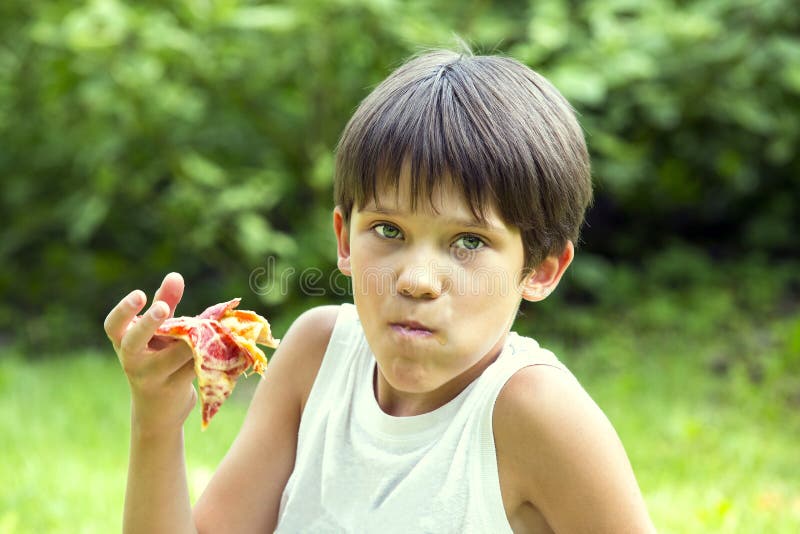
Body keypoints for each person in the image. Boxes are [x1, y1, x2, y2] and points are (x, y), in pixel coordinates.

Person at [105, 49, 656, 533]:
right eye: (389, 231)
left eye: (469, 241)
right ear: (345, 239)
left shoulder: (536, 414)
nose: (416, 280)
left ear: (541, 269)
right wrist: (156, 419)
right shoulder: (317, 356)